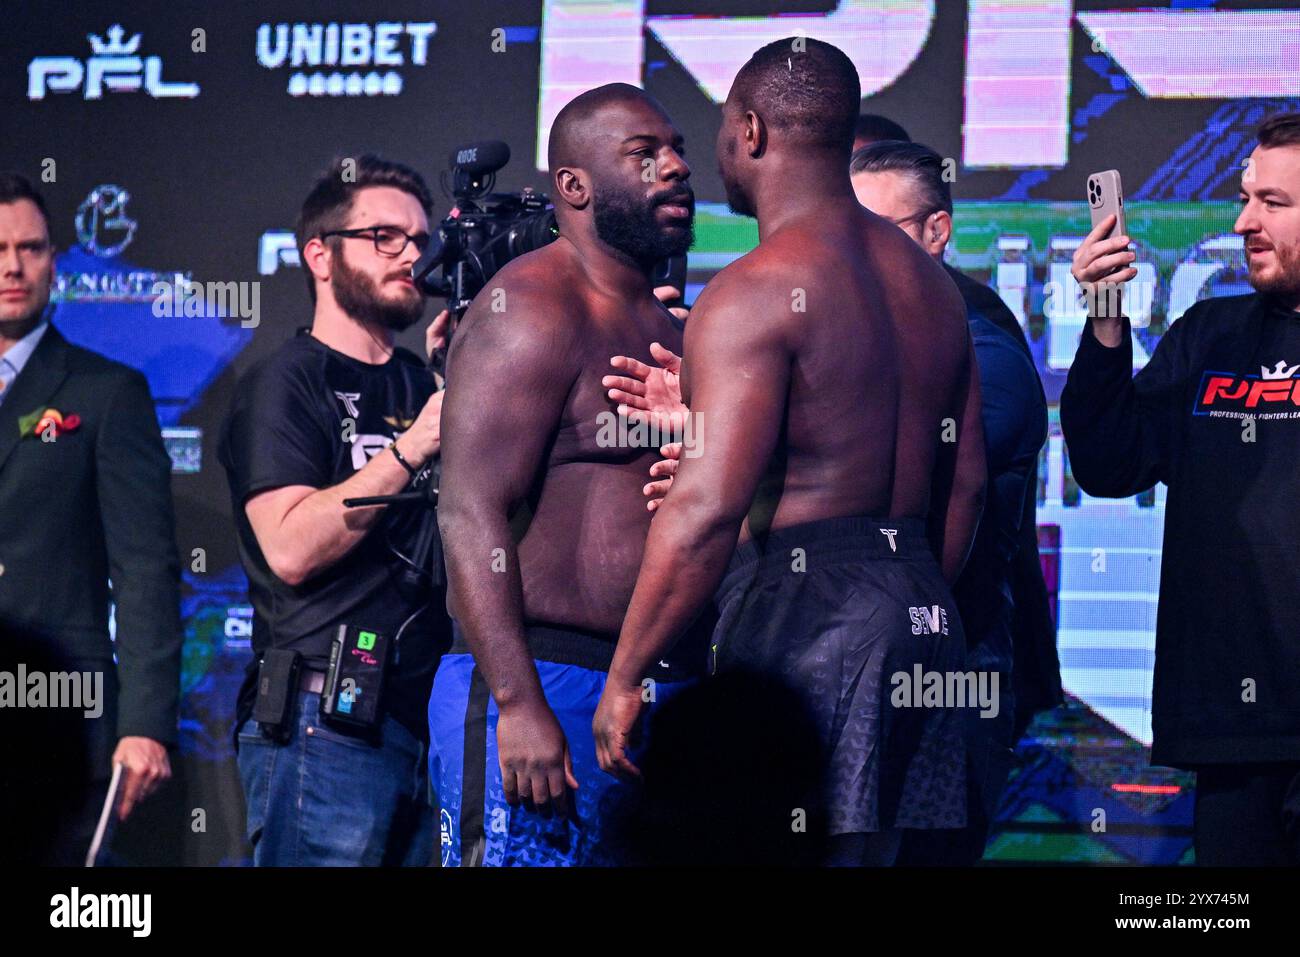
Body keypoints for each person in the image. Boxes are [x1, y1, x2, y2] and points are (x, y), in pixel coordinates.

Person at [592, 39, 986, 866]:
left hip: (813, 607)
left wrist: (626, 673)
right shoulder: (933, 286)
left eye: (721, 133)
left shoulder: (755, 287)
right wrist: (905, 595)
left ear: (752, 130)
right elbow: (967, 489)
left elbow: (704, 509)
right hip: (920, 600)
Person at [431, 83, 702, 867]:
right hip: (545, 678)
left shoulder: (667, 319)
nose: (676, 168)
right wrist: (518, 702)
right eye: (644, 155)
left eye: (678, 150)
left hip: (646, 692)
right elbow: (468, 510)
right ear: (574, 186)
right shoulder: (531, 306)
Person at [1061, 112, 1300, 866]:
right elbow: (1109, 463)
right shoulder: (1212, 334)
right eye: (1244, 197)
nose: (1243, 221)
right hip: (1232, 729)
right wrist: (1105, 313)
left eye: (1274, 203)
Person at [219, 155, 448, 866]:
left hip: (423, 724)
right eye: (385, 236)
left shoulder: (422, 380)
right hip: (325, 723)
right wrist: (416, 443)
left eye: (418, 238)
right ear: (320, 254)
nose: (411, 253)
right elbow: (289, 544)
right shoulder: (285, 382)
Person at [851, 139, 1048, 864]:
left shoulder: (984, 352)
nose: (854, 251)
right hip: (856, 661)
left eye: (879, 230)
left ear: (936, 231)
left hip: (951, 670)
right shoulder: (841, 336)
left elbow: (886, 466)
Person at [0, 171, 181, 865]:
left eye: (32, 248)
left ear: (54, 260)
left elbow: (144, 570)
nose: (14, 266)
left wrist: (143, 723)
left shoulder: (106, 393)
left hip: (55, 719)